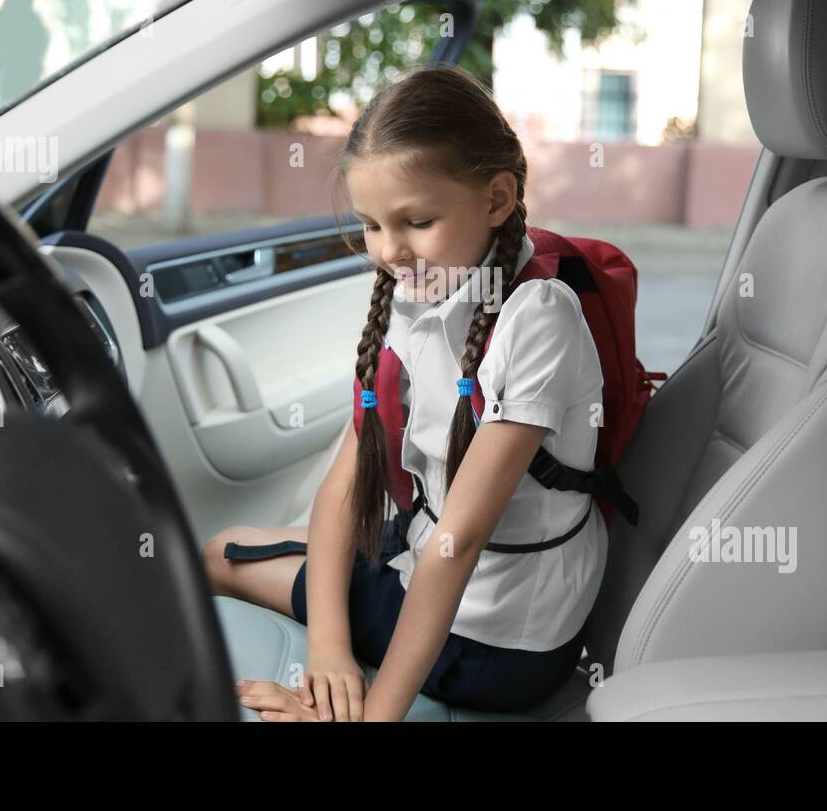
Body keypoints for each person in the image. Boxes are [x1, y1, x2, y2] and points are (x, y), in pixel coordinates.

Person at [202, 64, 606, 721]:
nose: (389, 251)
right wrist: (329, 649)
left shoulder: (539, 319)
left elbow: (459, 543)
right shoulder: (423, 292)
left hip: (496, 640)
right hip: (427, 548)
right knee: (238, 546)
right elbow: (346, 478)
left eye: (416, 221)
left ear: (497, 200)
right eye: (370, 225)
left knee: (219, 556)